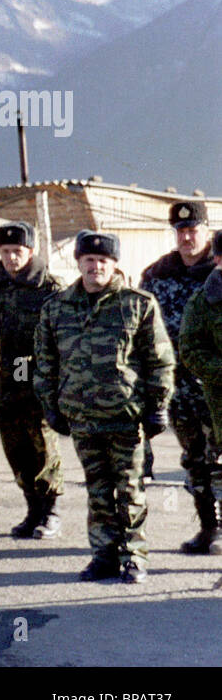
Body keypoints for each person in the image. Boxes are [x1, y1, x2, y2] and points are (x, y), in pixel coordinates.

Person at [35, 231, 174, 583]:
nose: (95, 266)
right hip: (82, 418)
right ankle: (103, 555)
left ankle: (135, 556)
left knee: (129, 489)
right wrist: (51, 407)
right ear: (78, 262)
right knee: (97, 491)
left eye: (102, 261)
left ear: (114, 265)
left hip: (126, 416)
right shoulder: (56, 308)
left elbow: (159, 360)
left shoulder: (137, 303)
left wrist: (158, 406)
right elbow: (45, 363)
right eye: (88, 260)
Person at [0, 222, 65, 540]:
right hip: (3, 378)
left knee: (41, 446)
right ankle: (32, 509)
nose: (12, 258)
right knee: (15, 449)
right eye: (6, 252)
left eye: (18, 251)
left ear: (30, 251)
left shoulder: (49, 288)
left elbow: (60, 336)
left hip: (35, 376)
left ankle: (50, 510)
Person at [139, 201, 217, 550]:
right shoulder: (157, 275)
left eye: (193, 229)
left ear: (206, 229)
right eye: (181, 231)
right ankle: (208, 528)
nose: (187, 237)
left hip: (216, 386)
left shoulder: (218, 271)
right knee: (194, 460)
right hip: (178, 388)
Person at [172, 228, 222, 556]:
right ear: (217, 260)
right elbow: (189, 348)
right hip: (215, 401)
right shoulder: (203, 301)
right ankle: (212, 529)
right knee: (208, 466)